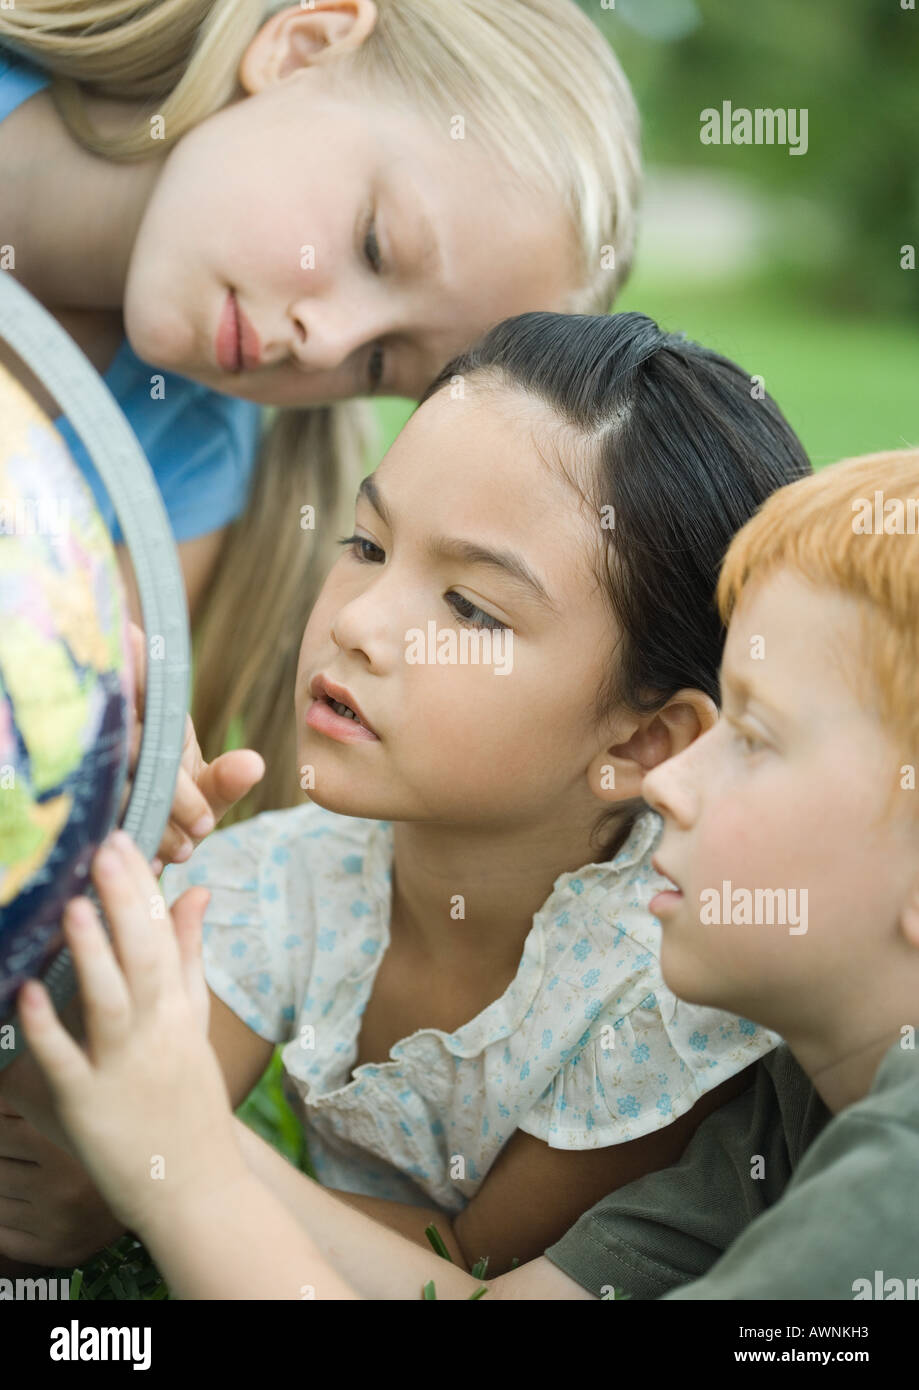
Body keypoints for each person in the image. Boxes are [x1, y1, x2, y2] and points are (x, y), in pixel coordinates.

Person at [0, 311, 813, 1286]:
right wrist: (94, 841)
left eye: (470, 606)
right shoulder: (286, 877)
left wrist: (162, 1154)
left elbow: (459, 1270)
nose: (361, 621)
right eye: (367, 543)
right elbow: (79, 1126)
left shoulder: (662, 985)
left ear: (642, 740)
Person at [0, 0, 640, 819]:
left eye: (379, 363)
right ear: (302, 47)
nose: (325, 341)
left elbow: (42, 758)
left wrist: (88, 801)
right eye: (375, 247)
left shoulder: (182, 468)